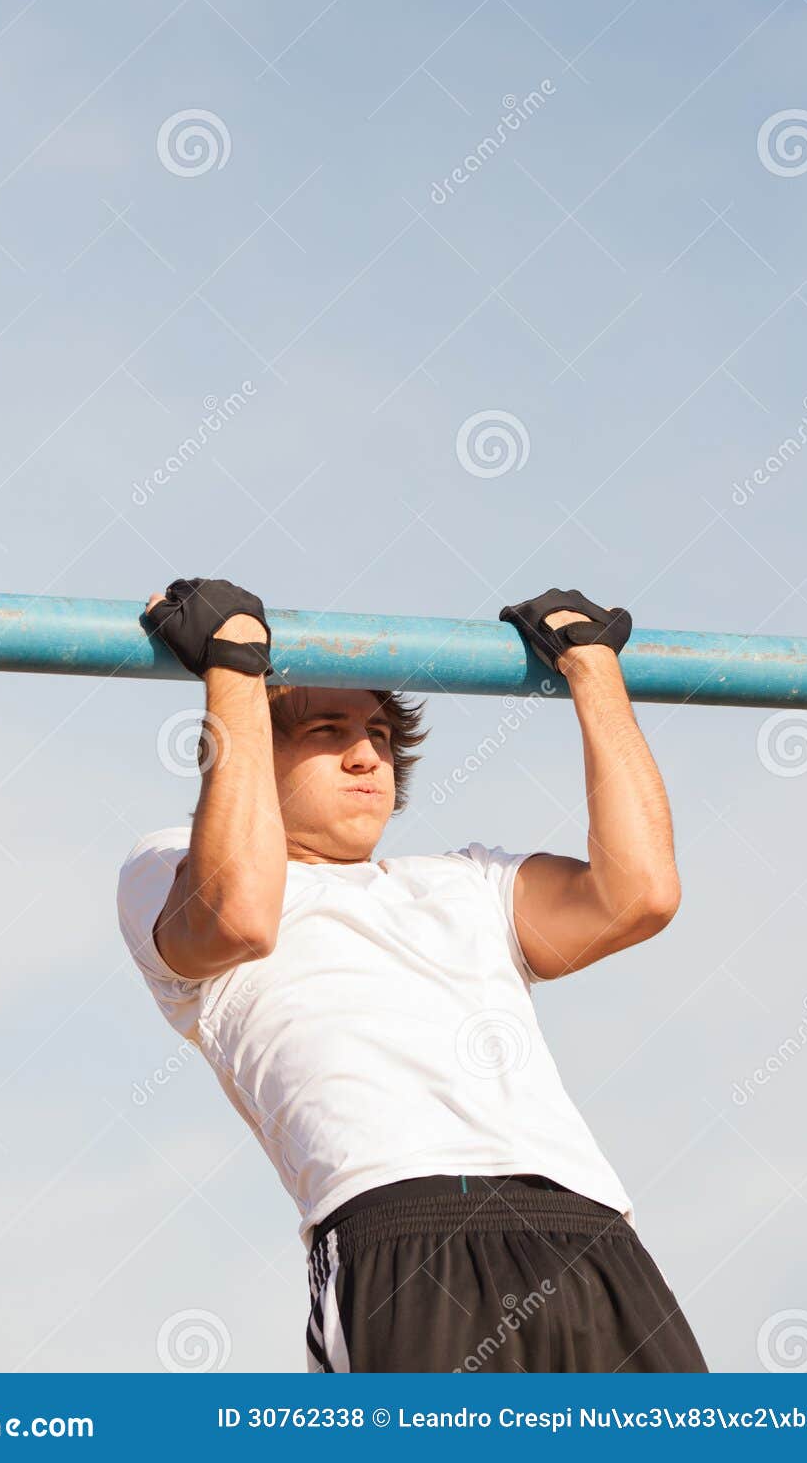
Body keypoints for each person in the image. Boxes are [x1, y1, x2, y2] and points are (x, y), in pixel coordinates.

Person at [116, 578, 707, 1373]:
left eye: (378, 734)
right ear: (253, 750)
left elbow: (639, 895)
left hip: (589, 1232)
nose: (368, 754)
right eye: (327, 730)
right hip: (401, 1235)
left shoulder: (468, 880)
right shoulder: (167, 867)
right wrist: (234, 671)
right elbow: (238, 920)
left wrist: (591, 668)